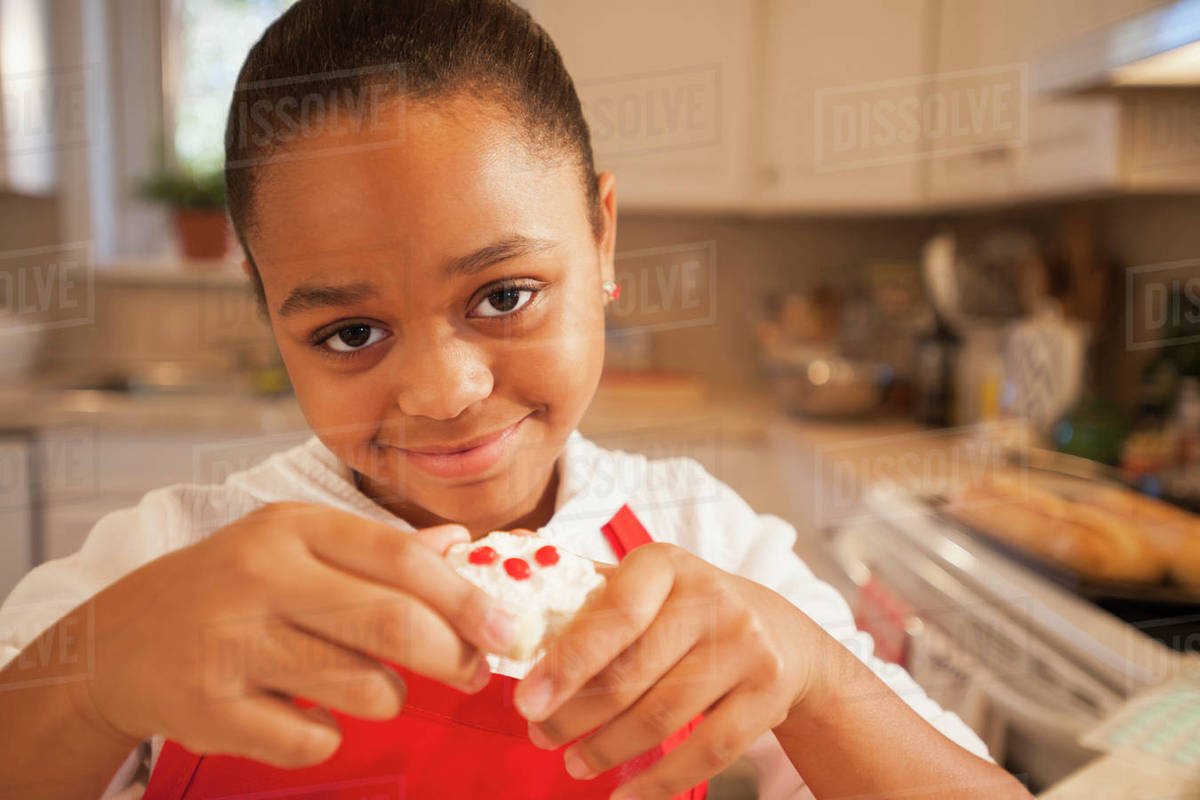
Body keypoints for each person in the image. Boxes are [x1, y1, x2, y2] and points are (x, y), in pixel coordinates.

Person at [0, 1, 1032, 798]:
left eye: (503, 295)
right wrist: (97, 681)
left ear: (602, 236)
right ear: (270, 314)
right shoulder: (170, 558)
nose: (445, 392)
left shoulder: (705, 542)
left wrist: (815, 676)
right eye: (348, 332)